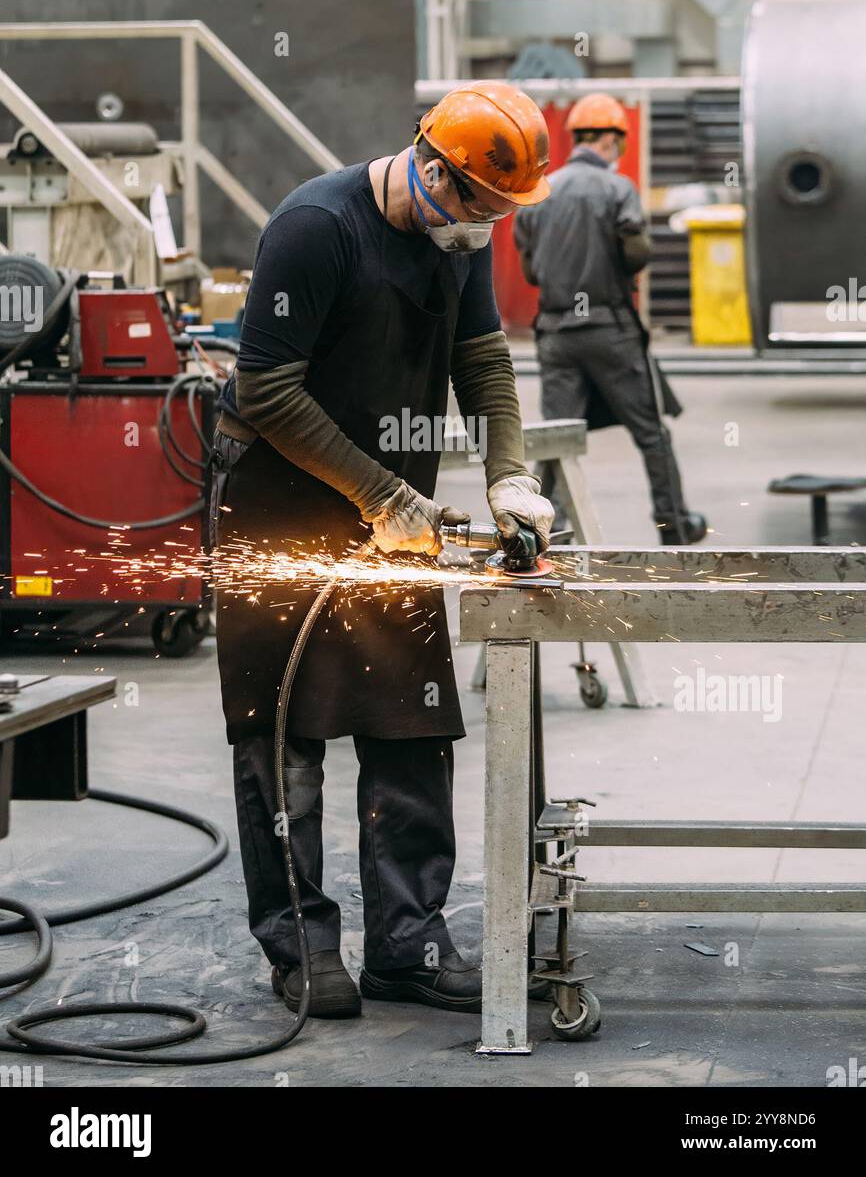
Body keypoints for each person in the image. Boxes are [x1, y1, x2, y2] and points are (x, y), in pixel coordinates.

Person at [211, 81, 555, 1019]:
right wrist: (382, 492)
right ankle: (302, 945)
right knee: (283, 741)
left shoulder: (458, 235)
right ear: (434, 168)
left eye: (500, 213)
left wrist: (509, 475)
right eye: (480, 207)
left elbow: (481, 360)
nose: (484, 229)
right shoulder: (316, 227)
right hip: (285, 514)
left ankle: (408, 944)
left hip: (395, 525)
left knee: (412, 730)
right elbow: (268, 390)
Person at [514, 92, 706, 545]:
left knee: (556, 441)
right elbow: (636, 255)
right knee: (651, 434)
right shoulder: (618, 189)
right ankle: (675, 524)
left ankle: (546, 534)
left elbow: (529, 270)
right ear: (611, 141)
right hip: (610, 332)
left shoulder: (542, 192)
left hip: (556, 335)